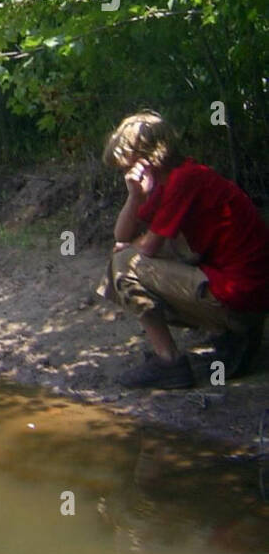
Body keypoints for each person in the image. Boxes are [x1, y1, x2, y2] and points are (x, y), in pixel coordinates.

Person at [101, 112, 269, 388]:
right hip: (244, 294)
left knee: (124, 263)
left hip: (242, 298)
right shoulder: (173, 181)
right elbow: (122, 234)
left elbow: (148, 247)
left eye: (127, 166)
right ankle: (232, 334)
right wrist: (134, 195)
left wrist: (126, 249)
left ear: (147, 158)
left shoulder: (185, 180)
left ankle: (169, 363)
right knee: (128, 254)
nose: (126, 173)